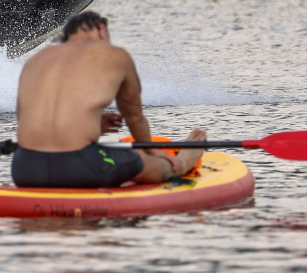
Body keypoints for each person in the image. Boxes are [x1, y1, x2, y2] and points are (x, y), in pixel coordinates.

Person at [12, 11, 207, 188]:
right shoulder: (116, 55)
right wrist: (152, 152)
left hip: (24, 168)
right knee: (141, 157)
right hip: (77, 168)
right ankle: (183, 164)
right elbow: (134, 117)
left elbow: (26, 118)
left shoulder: (36, 59)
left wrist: (89, 124)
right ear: (101, 30)